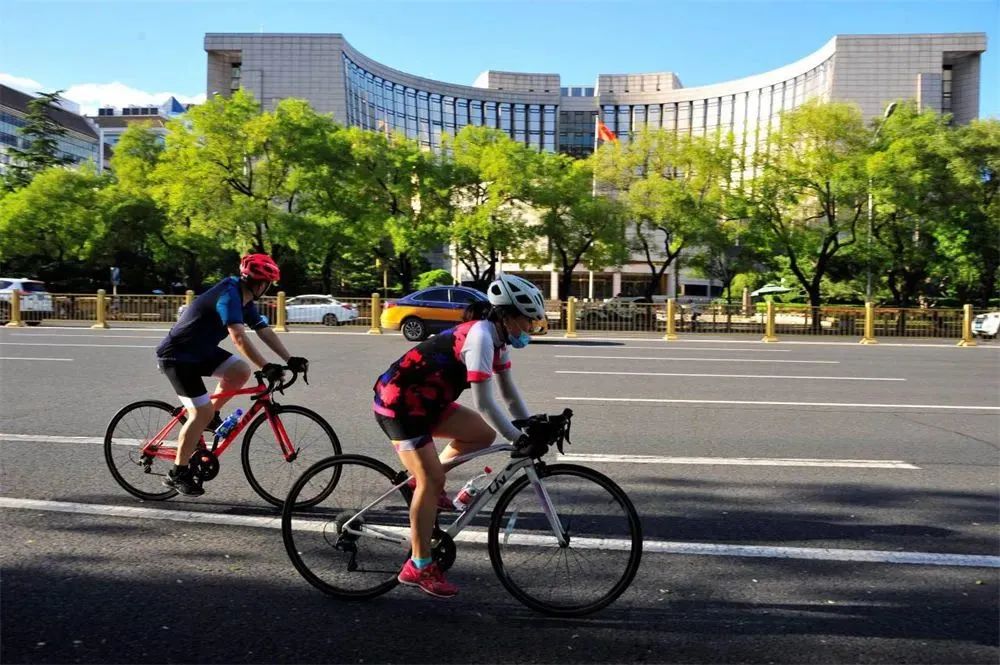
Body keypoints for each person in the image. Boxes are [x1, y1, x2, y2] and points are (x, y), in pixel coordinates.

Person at [372, 273, 546, 598]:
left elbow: (508, 395)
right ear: (507, 315)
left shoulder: (499, 339)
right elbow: (484, 402)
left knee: (481, 434)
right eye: (527, 321)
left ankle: (418, 483)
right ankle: (418, 565)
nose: (530, 329)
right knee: (432, 481)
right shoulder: (481, 336)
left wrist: (529, 425)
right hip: (399, 404)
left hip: (427, 400)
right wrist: (516, 438)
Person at [154, 253, 308, 496]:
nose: (268, 289)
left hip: (200, 352)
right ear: (260, 283)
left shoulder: (245, 299)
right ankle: (177, 473)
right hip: (177, 357)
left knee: (240, 371)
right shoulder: (229, 295)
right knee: (200, 412)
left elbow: (263, 330)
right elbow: (238, 336)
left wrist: (289, 359)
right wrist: (267, 366)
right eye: (268, 284)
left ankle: (210, 416)